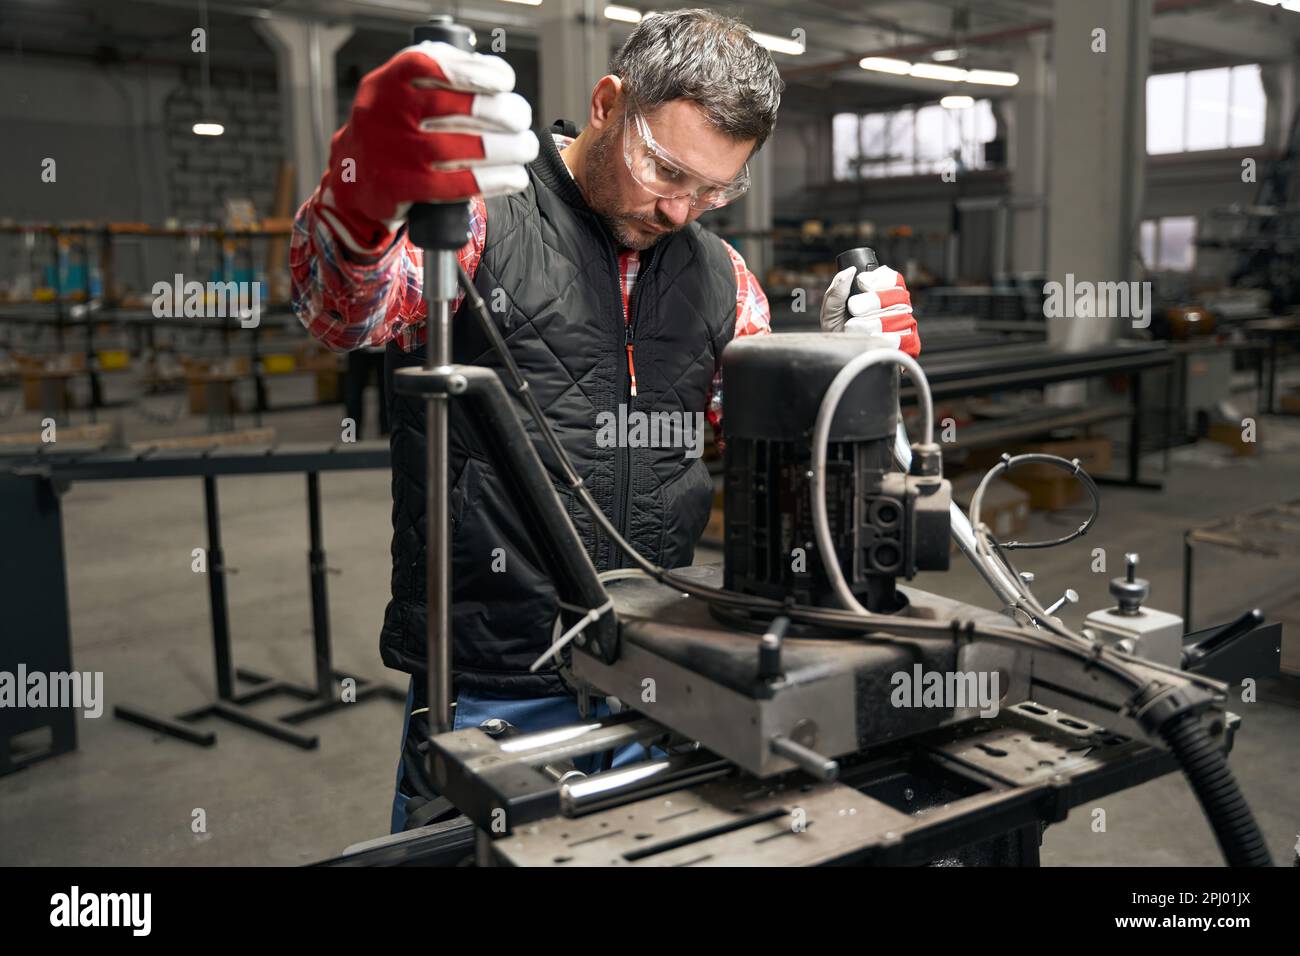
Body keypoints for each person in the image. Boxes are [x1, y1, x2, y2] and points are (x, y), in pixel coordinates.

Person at [289, 8, 920, 832]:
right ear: (606, 103)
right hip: (492, 674)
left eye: (716, 188)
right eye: (666, 171)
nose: (681, 211)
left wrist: (852, 376)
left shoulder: (722, 273)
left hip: (657, 662)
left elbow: (773, 446)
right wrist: (359, 193)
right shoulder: (484, 216)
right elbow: (343, 310)